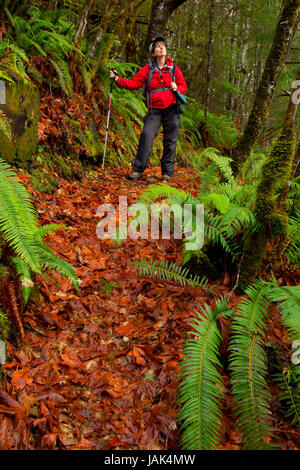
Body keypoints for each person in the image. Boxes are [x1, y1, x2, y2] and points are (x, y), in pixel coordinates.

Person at [110, 36, 187, 181]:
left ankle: (167, 173)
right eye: (157, 46)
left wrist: (178, 88)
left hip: (172, 109)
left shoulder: (174, 69)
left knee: (170, 141)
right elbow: (134, 84)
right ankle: (138, 170)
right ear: (153, 53)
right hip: (154, 110)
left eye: (163, 45)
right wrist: (117, 79)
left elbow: (183, 86)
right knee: (146, 136)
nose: (161, 47)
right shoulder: (148, 69)